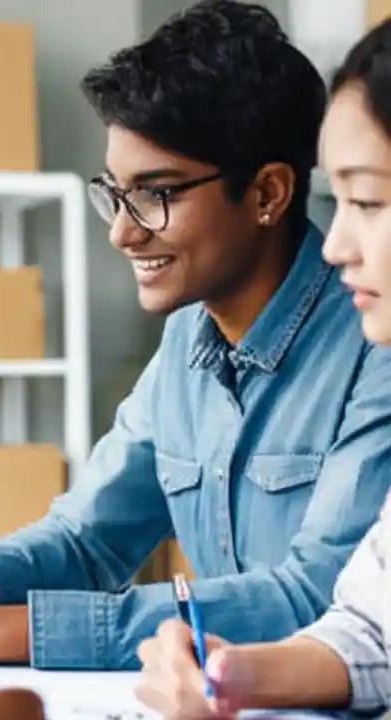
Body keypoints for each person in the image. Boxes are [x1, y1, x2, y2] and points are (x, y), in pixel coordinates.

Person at [0, 0, 391, 671]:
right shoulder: (189, 337)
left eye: (156, 194)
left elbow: (319, 603)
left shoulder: (375, 339)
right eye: (115, 193)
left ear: (268, 193)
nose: (122, 232)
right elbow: (89, 539)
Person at [135, 19, 391, 719]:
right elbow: (372, 632)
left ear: (267, 194)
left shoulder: (372, 357)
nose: (334, 245)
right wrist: (233, 674)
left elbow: (312, 591)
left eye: (367, 202)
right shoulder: (186, 343)